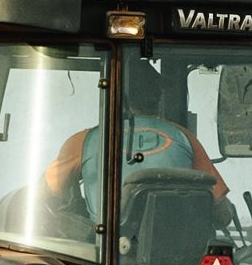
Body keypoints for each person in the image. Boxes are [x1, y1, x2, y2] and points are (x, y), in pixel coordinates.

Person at [44, 58, 228, 219]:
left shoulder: (83, 142)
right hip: (176, 255)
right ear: (157, 96)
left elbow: (46, 195)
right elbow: (222, 213)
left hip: (97, 251)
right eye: (156, 90)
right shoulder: (184, 138)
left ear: (113, 96)